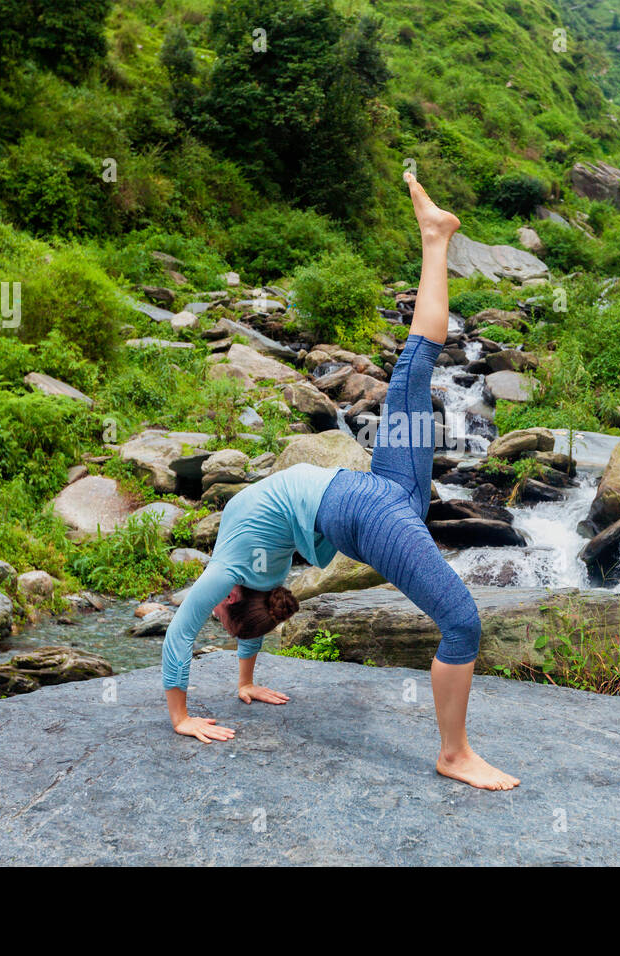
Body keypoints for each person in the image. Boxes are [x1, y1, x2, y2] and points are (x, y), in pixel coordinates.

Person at [161, 171, 519, 791]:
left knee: (460, 622)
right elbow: (250, 622)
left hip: (362, 508)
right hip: (371, 494)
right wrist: (244, 681)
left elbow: (179, 631)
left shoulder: (227, 569)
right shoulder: (257, 577)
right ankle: (436, 241)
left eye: (226, 618)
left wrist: (182, 718)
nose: (222, 612)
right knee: (413, 368)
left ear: (226, 599)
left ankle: (454, 755)